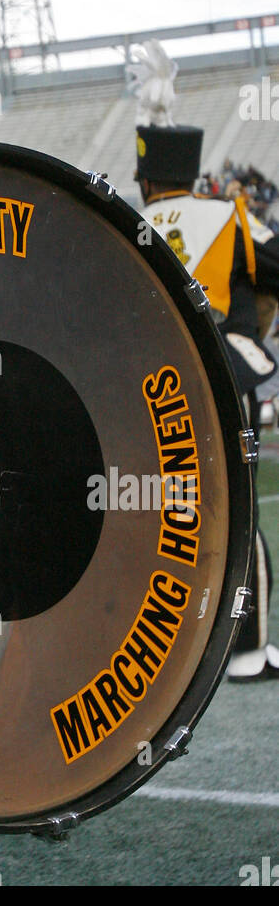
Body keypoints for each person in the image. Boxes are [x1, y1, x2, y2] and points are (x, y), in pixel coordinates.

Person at [135, 113, 279, 682]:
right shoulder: (229, 215)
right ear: (193, 172)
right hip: (224, 372)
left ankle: (178, 652)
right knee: (237, 508)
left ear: (147, 178)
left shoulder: (130, 220)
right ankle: (245, 651)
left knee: (169, 516)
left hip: (152, 387)